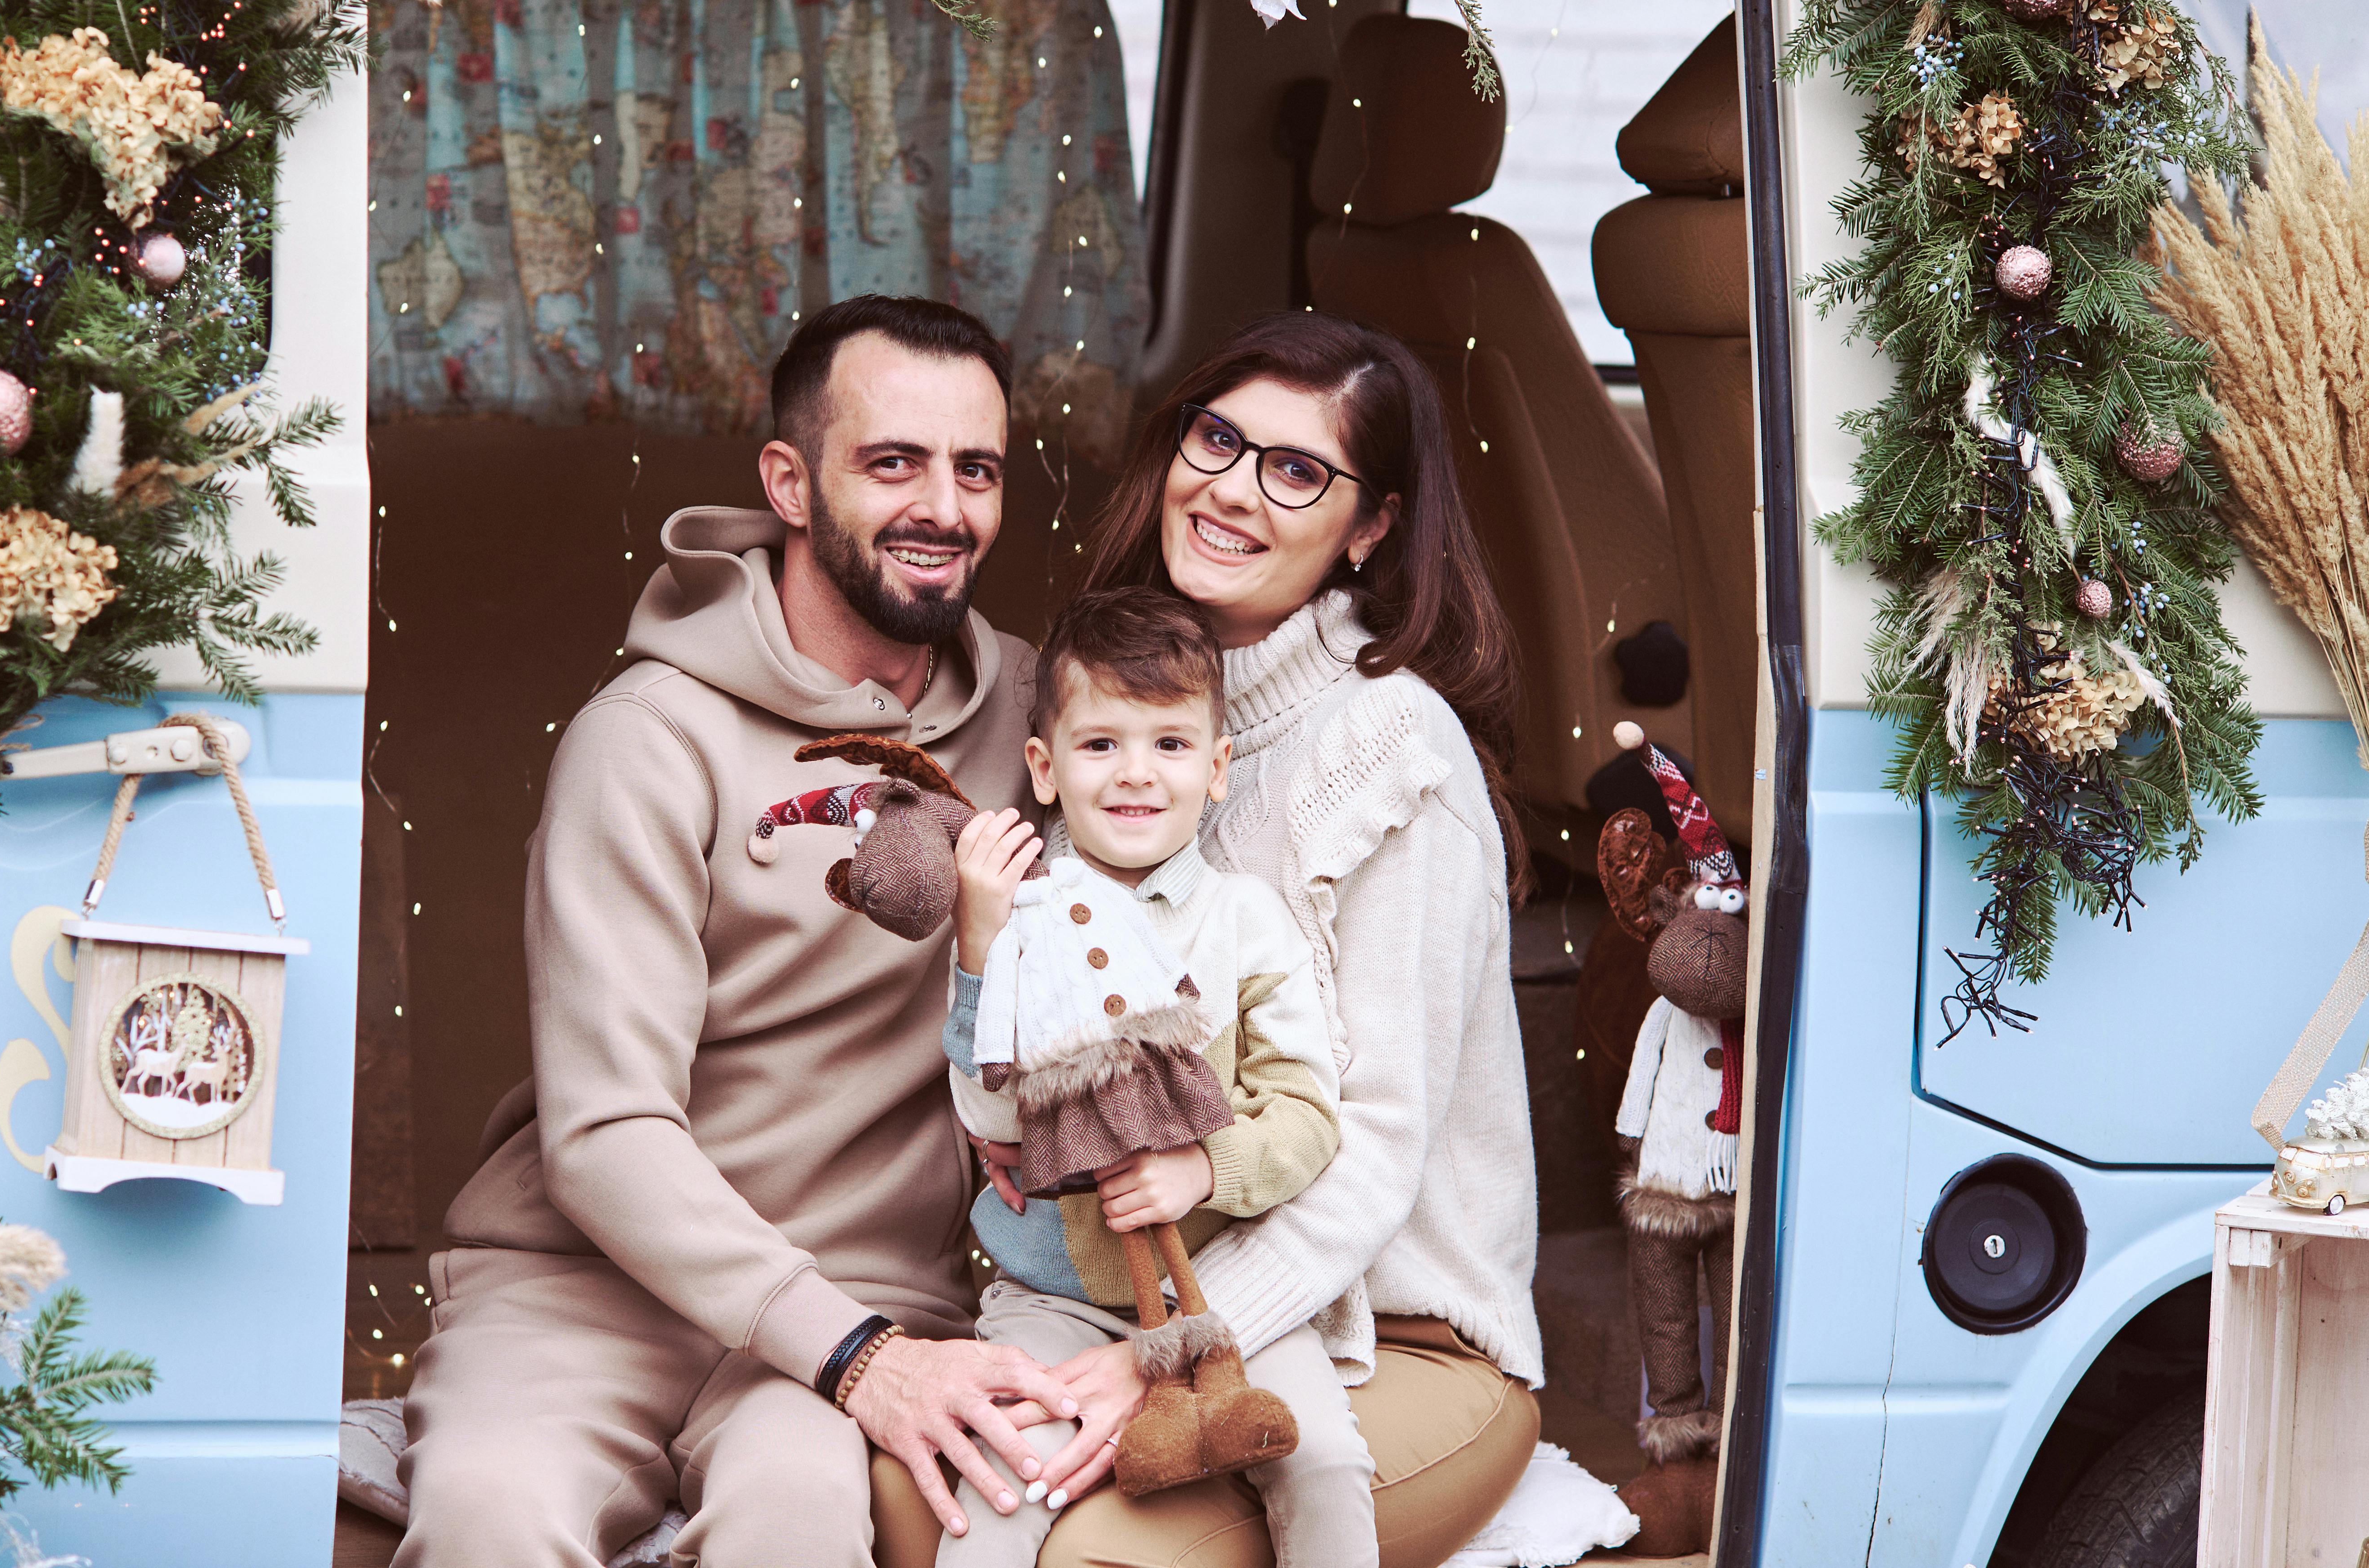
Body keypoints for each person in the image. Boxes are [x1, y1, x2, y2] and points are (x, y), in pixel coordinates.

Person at [393, 295, 1084, 1568]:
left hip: (868, 1295)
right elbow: (604, 1135)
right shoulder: (646, 738)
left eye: (974, 469)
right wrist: (856, 1359)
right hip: (584, 1293)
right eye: (892, 462)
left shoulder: (1044, 729)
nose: (943, 506)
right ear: (790, 480)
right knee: (489, 1514)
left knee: (798, 1520)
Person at [992, 311, 1548, 1568]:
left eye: (1294, 470)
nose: (1231, 489)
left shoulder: (1391, 752)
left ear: (1368, 528)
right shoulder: (1122, 702)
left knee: (1097, 1560)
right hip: (1154, 1289)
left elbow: (1377, 1149)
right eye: (1217, 438)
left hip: (1398, 1334)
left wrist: (1164, 1356)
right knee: (939, 1492)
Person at [940, 586, 1367, 1568]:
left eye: (1170, 745)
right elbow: (989, 1116)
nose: (1136, 774)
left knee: (1327, 1463)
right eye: (1100, 746)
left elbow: (1306, 1110)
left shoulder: (1245, 921)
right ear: (1044, 769)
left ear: (1217, 768)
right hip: (1049, 1298)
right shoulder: (1018, 916)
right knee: (1003, 1489)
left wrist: (1203, 1168)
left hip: (1216, 1287)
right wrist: (977, 945)